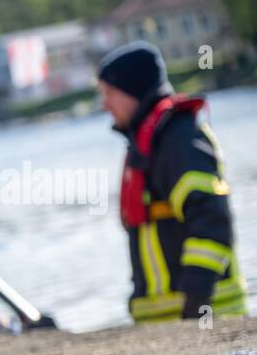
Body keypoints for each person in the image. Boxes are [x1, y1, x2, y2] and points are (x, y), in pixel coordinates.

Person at [96, 41, 247, 322]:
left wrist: (197, 298)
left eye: (109, 93)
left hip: (208, 316)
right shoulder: (150, 140)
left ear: (133, 90)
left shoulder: (178, 140)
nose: (104, 104)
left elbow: (212, 219)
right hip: (168, 322)